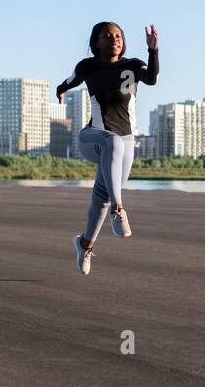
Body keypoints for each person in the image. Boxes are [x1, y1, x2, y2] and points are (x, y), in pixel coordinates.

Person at [56, 21, 159, 274]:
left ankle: (84, 245)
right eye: (107, 36)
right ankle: (119, 209)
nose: (114, 39)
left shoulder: (133, 66)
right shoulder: (88, 66)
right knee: (110, 142)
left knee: (100, 197)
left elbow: (153, 79)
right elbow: (69, 81)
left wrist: (153, 51)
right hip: (93, 137)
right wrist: (60, 90)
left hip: (126, 142)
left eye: (118, 36)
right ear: (96, 42)